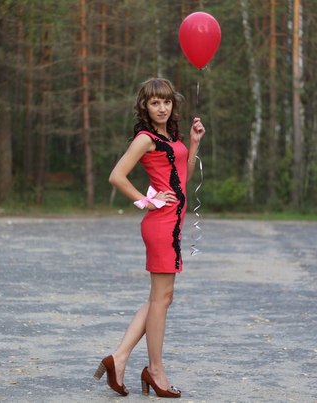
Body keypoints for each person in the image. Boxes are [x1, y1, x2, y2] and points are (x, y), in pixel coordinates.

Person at [93, 77, 205, 398]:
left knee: (161, 299)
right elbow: (117, 176)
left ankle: (119, 358)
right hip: (161, 224)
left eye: (166, 101)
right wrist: (147, 201)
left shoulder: (171, 137)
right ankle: (155, 370)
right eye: (155, 102)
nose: (162, 108)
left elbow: (183, 177)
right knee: (161, 299)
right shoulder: (145, 138)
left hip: (172, 224)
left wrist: (193, 144)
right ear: (145, 106)